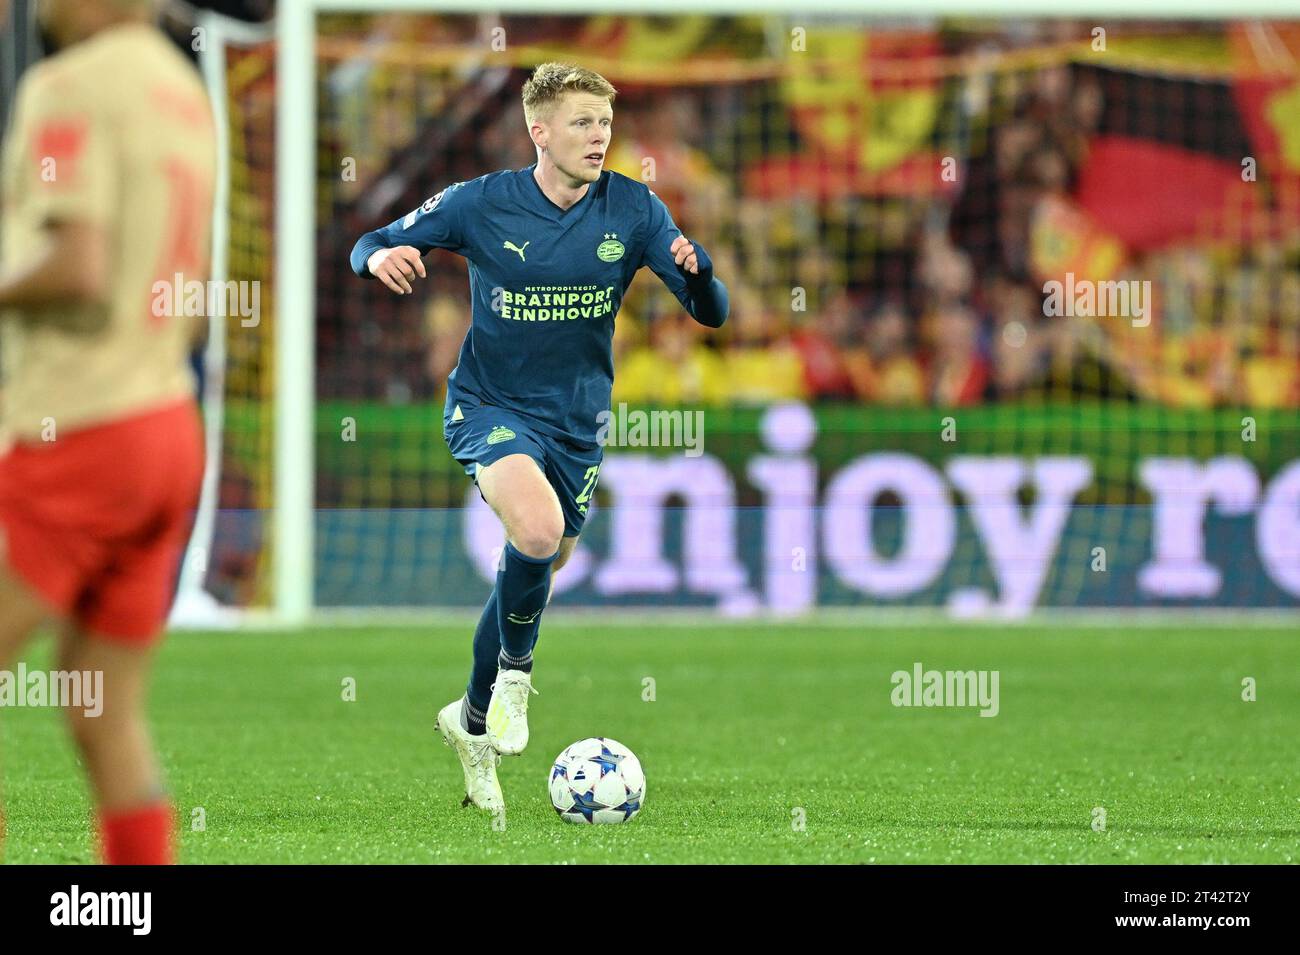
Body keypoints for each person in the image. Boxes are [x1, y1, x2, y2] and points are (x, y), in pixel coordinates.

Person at [350, 63, 728, 818]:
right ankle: (516, 678)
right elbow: (371, 238)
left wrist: (700, 270)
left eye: (604, 123)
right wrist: (381, 255)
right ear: (540, 132)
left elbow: (709, 311)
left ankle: (471, 715)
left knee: (537, 558)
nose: (599, 136)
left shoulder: (634, 210)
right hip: (489, 404)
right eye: (583, 122)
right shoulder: (481, 204)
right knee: (538, 527)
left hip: (576, 425)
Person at [0, 0, 215, 863]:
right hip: (166, 425)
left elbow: (78, 265)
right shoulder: (180, 89)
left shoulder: (70, 85)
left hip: (81, 429)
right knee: (103, 710)